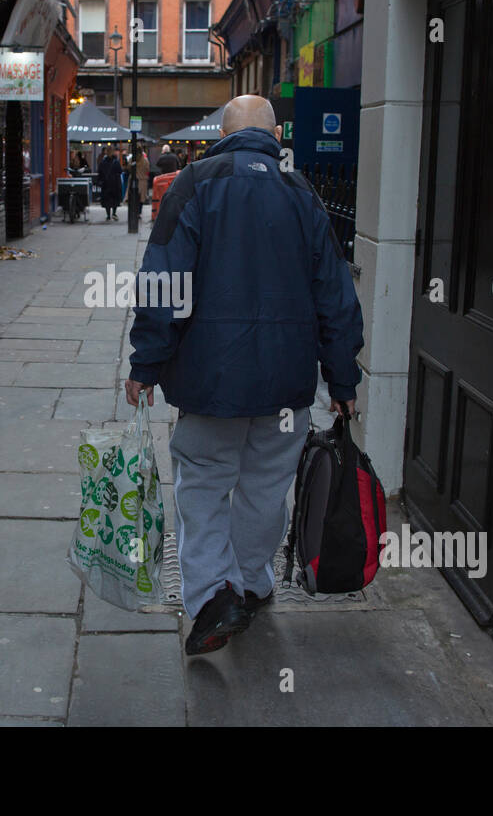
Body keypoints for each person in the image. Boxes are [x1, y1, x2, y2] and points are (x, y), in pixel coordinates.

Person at [124, 95, 364, 656]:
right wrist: (344, 381)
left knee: (204, 487)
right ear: (275, 133)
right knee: (264, 491)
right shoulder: (302, 191)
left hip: (211, 383)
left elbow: (163, 282)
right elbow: (337, 296)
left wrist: (146, 362)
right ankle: (252, 583)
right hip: (286, 385)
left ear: (223, 134)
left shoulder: (194, 184)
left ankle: (212, 597)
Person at [98, 145, 123, 221]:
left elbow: (100, 172)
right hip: (114, 183)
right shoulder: (116, 162)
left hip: (106, 184)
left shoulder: (103, 162)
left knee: (107, 200)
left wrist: (101, 181)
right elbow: (120, 171)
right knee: (114, 199)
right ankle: (114, 214)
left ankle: (108, 215)